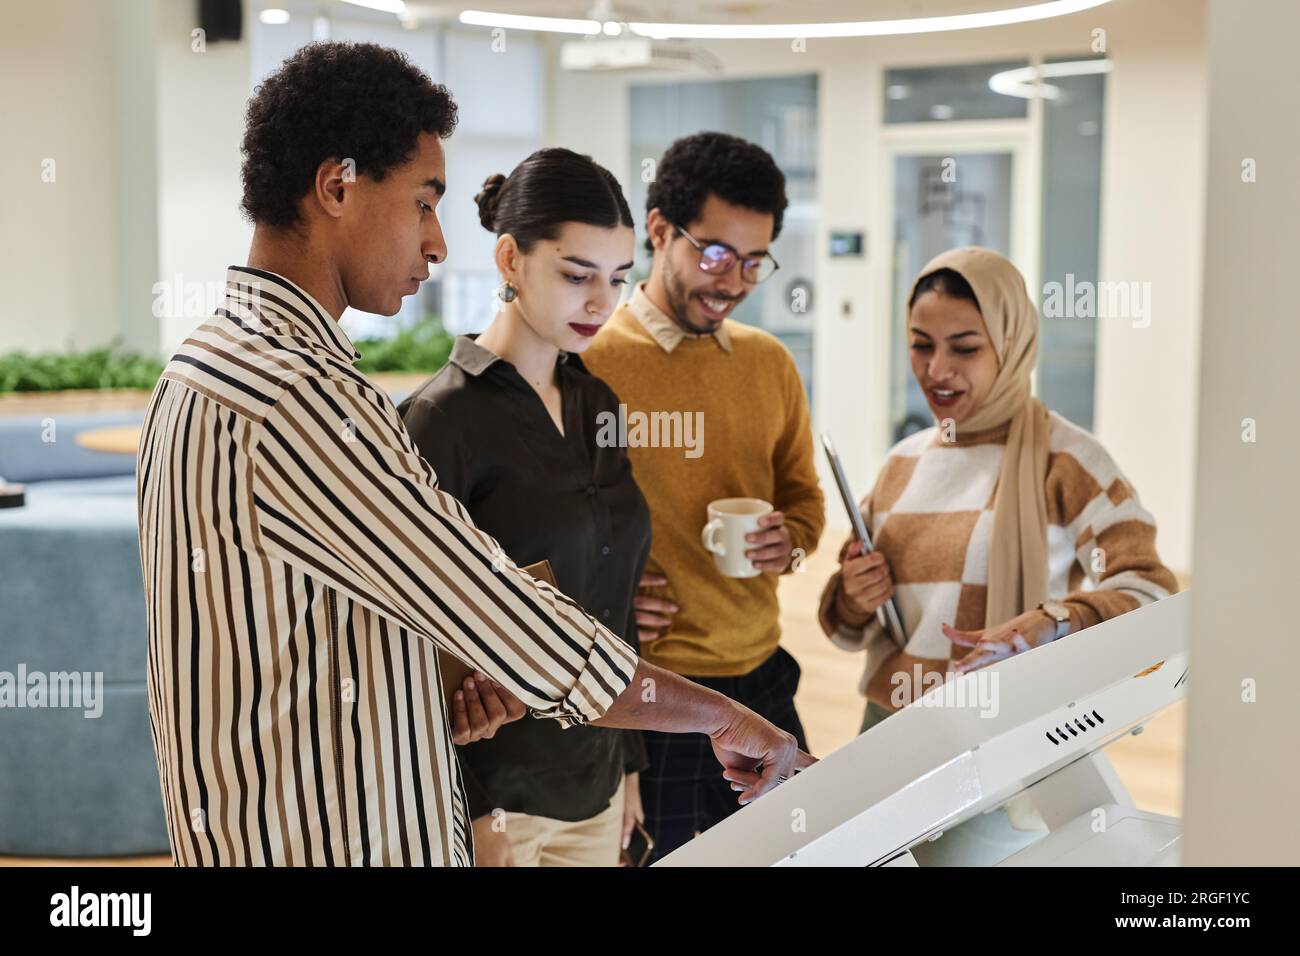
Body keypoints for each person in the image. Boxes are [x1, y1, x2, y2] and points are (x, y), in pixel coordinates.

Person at [135, 41, 811, 867]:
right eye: (423, 203)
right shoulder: (296, 396)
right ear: (337, 185)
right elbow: (520, 629)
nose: (435, 243)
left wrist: (445, 675)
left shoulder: (204, 366)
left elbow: (312, 631)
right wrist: (723, 716)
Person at [817, 246, 1179, 863]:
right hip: (889, 731)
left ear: (1010, 343)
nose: (936, 370)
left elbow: (1152, 594)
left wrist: (1054, 619)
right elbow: (850, 631)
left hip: (1007, 747)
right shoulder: (902, 463)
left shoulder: (1067, 461)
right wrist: (852, 596)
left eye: (964, 347)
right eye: (920, 345)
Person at [398, 148, 651, 866]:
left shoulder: (598, 402)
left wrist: (628, 760)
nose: (602, 303)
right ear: (510, 259)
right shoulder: (438, 420)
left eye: (618, 280)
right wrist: (477, 814)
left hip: (597, 786)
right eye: (577, 276)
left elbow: (613, 603)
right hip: (500, 804)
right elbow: (412, 639)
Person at [583, 131, 826, 861]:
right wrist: (609, 599)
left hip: (764, 674)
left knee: (794, 853)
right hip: (655, 691)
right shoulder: (589, 364)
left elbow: (804, 498)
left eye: (755, 260)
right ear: (660, 230)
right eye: (716, 254)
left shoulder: (768, 361)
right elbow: (549, 533)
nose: (734, 280)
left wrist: (796, 539)